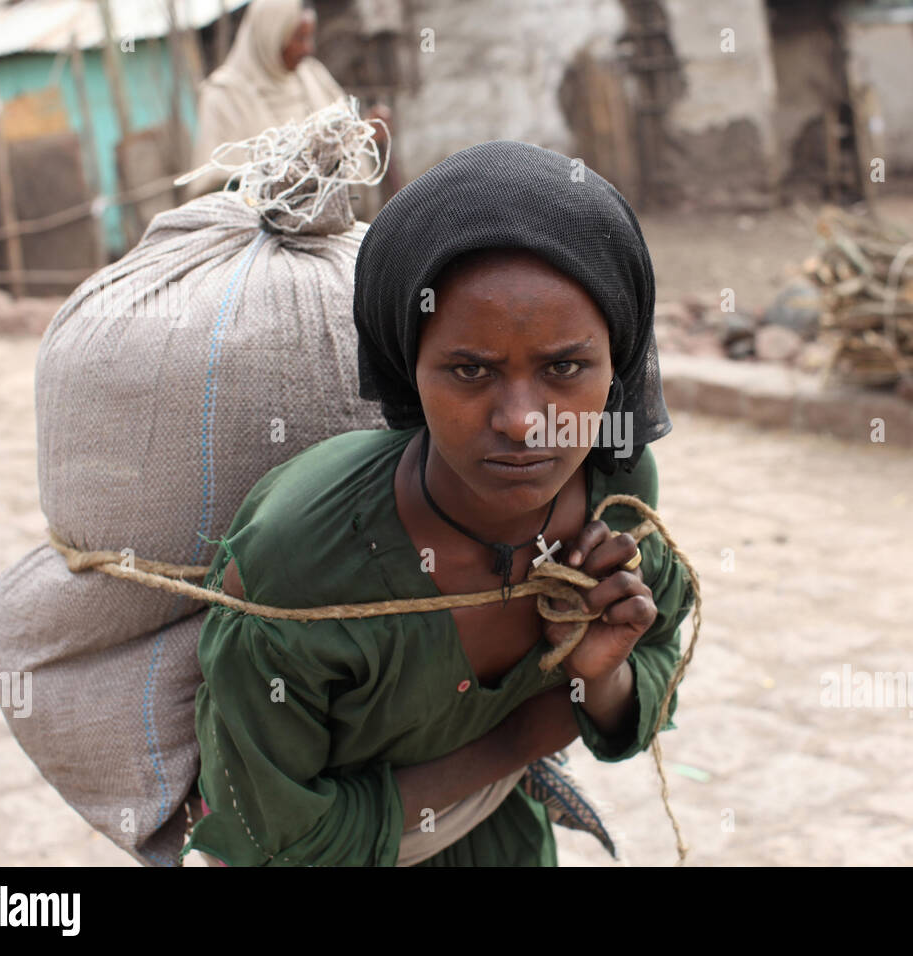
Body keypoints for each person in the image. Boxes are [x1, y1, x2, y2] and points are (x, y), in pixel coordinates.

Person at [180, 140, 694, 866]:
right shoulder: (297, 561)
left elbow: (657, 656)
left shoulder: (616, 493)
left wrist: (600, 676)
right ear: (404, 367)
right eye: (469, 369)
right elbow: (273, 836)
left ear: (621, 364)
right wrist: (517, 741)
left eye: (566, 367)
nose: (523, 421)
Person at [184, 0, 393, 202]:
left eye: (310, 37)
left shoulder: (313, 77)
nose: (307, 48)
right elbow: (216, 189)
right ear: (272, 34)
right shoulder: (224, 96)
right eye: (299, 38)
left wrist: (363, 135)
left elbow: (342, 144)